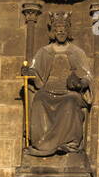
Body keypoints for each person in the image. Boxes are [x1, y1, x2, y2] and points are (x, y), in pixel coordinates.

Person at [26, 13, 92, 157]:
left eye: (63, 29)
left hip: (69, 91)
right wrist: (29, 73)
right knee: (39, 99)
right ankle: (41, 144)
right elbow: (35, 73)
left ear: (68, 31)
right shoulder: (44, 52)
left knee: (71, 102)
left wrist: (81, 82)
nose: (61, 32)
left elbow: (87, 76)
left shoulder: (77, 52)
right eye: (57, 29)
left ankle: (68, 143)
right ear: (53, 32)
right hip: (48, 89)